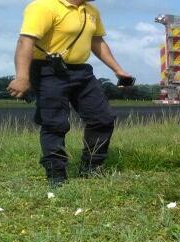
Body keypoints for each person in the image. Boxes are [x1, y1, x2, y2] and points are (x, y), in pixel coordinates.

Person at [7, 0, 133, 187]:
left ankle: (91, 168)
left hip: (81, 71)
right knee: (54, 123)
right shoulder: (43, 6)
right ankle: (56, 175)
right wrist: (22, 77)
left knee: (102, 118)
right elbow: (25, 41)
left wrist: (118, 69)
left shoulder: (90, 10)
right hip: (47, 69)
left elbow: (96, 41)